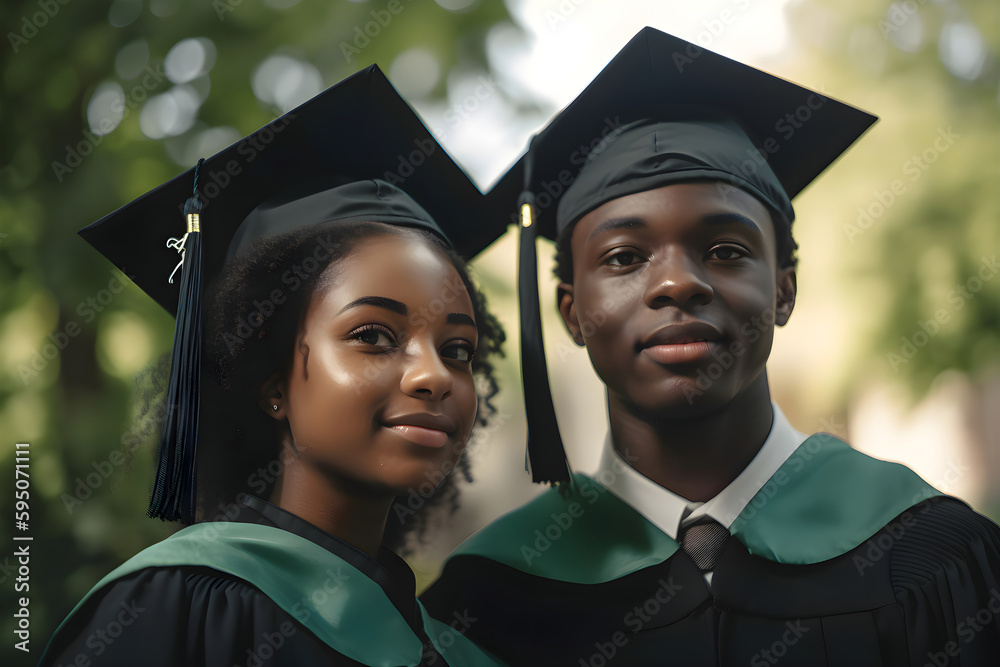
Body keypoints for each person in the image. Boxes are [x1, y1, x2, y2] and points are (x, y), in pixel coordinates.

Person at [420, 28, 1000, 666]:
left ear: (783, 292)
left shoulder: (936, 557)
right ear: (571, 314)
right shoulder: (486, 601)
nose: (676, 282)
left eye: (726, 251)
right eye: (624, 257)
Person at [39, 65, 507, 667]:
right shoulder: (178, 608)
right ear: (270, 383)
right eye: (373, 335)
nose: (436, 376)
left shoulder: (461, 653)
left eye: (458, 350)